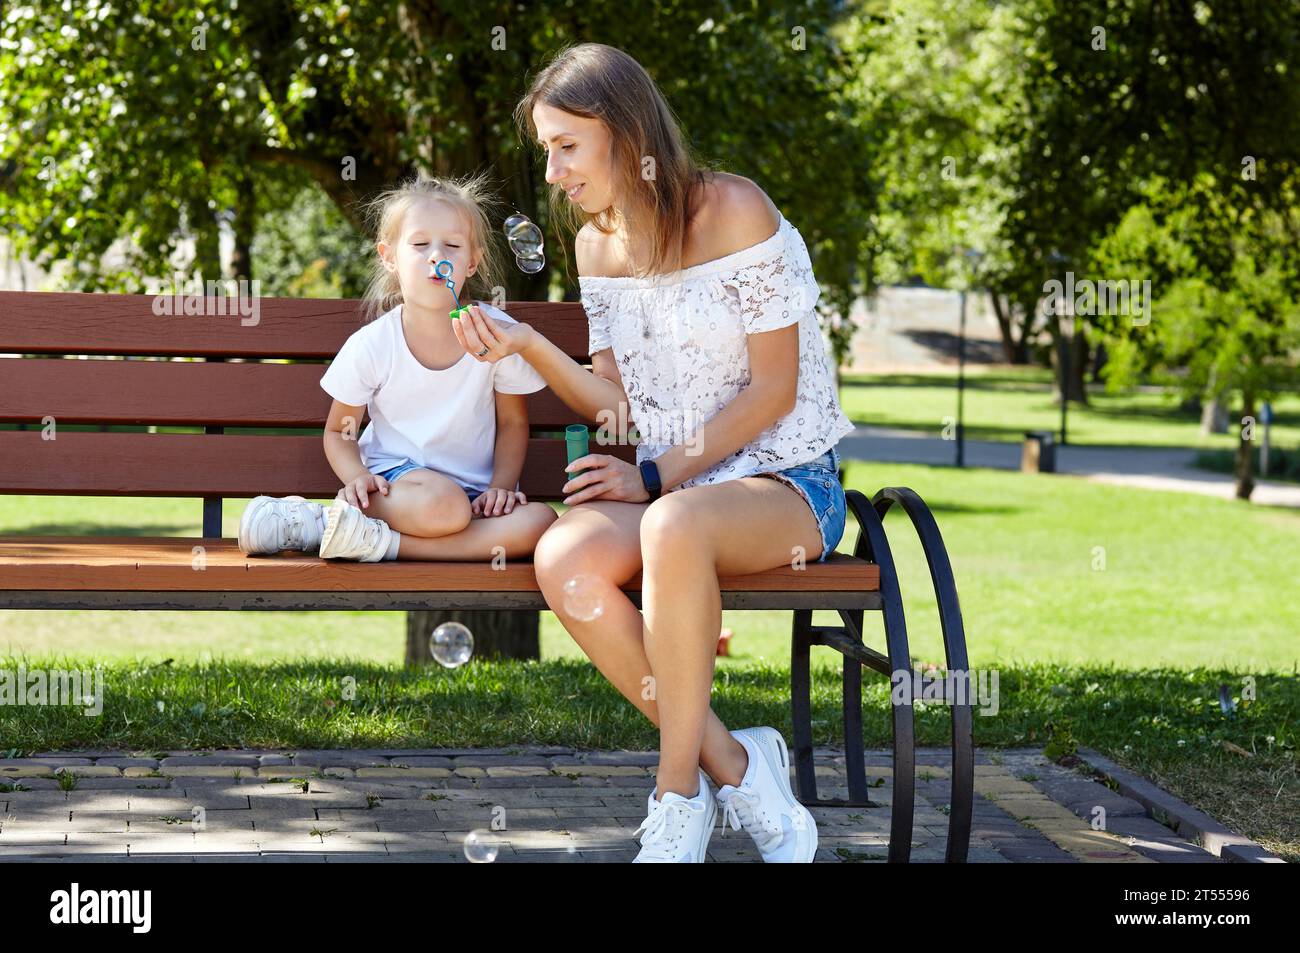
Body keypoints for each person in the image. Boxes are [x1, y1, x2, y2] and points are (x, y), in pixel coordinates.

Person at [450, 44, 856, 862]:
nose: (555, 171)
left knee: (670, 524)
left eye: (568, 146)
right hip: (673, 494)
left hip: (785, 484)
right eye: (546, 150)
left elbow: (774, 391)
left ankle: (676, 796)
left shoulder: (737, 211)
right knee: (564, 553)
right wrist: (530, 345)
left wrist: (652, 479)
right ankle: (737, 762)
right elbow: (620, 409)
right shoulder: (596, 249)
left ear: (625, 130)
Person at [238, 170, 557, 562]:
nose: (437, 256)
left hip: (475, 497)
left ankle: (367, 538)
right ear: (389, 257)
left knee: (541, 521)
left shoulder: (497, 334)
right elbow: (340, 431)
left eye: (453, 246)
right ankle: (344, 517)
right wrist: (358, 480)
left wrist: (502, 486)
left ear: (472, 262)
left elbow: (512, 423)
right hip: (401, 486)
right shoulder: (374, 345)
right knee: (444, 507)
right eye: (420, 244)